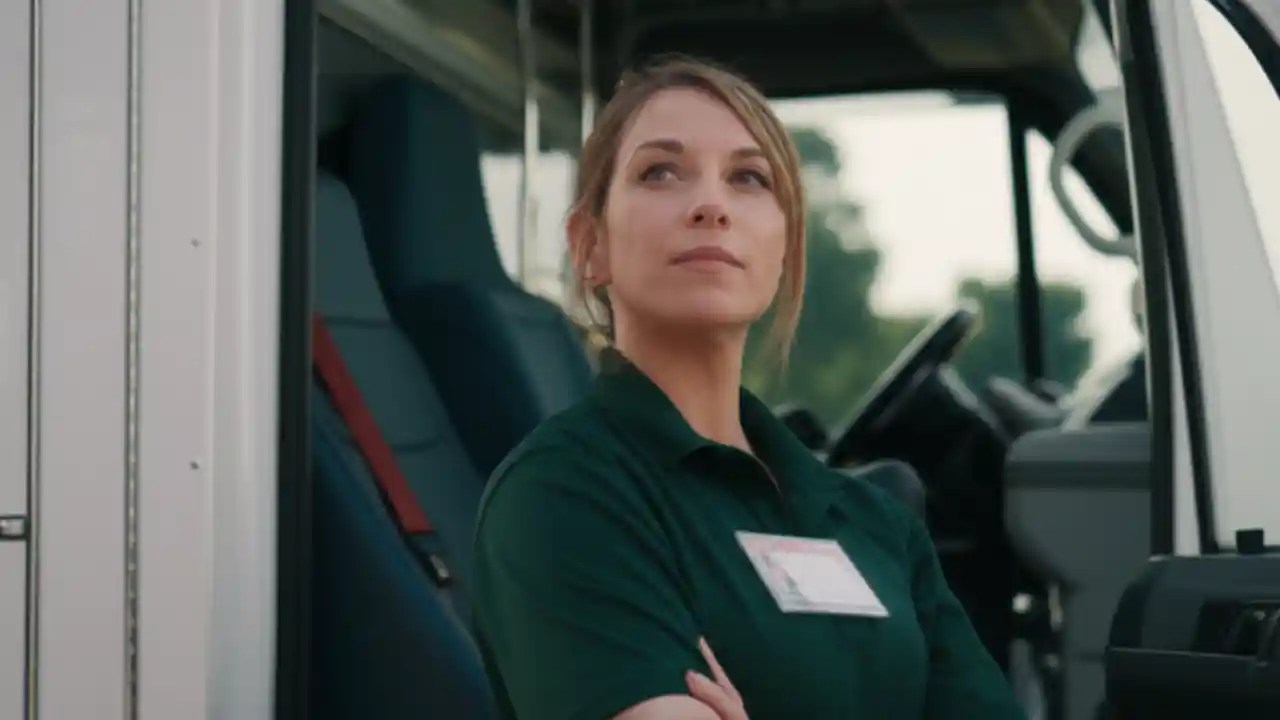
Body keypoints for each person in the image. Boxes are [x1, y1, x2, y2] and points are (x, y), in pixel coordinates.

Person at [471, 56, 1025, 720]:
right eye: (661, 172)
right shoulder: (560, 495)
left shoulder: (877, 523)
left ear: (784, 247)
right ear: (590, 245)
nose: (711, 205)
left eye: (748, 178)